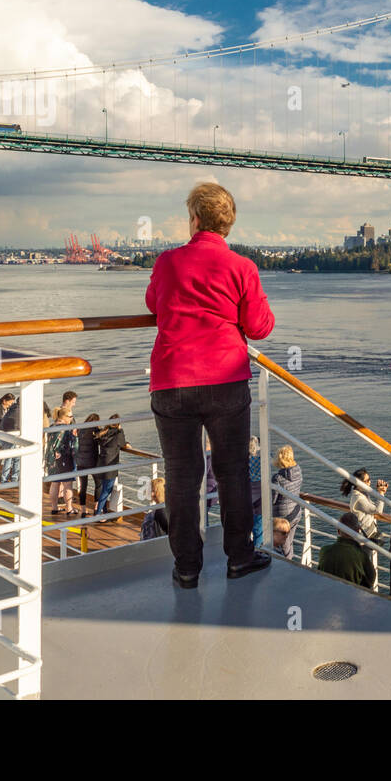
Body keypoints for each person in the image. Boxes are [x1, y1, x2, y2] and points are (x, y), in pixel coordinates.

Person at [146, 182, 275, 588]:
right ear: (229, 224)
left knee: (183, 476)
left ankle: (186, 568)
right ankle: (239, 557)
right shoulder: (242, 268)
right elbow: (259, 327)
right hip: (225, 380)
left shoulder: (168, 262)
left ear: (195, 219)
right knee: (233, 471)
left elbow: (154, 304)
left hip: (172, 382)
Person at [342, 468, 388, 580]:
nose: (370, 482)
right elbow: (377, 510)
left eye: (369, 479)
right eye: (367, 480)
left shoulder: (362, 494)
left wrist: (379, 492)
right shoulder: (359, 498)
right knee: (363, 567)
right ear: (359, 483)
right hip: (362, 539)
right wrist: (381, 493)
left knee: (362, 565)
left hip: (364, 535)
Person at [316, 512, 377, 589]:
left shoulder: (324, 550)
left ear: (338, 531)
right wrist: (367, 551)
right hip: (350, 597)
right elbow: (370, 581)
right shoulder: (361, 556)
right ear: (358, 531)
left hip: (327, 593)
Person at [45, 393, 79, 516]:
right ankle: (69, 508)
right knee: (67, 485)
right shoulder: (67, 429)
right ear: (64, 417)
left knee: (54, 484)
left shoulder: (52, 426)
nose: (71, 418)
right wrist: (75, 437)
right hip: (64, 459)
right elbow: (73, 446)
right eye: (70, 416)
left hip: (51, 459)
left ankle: (54, 507)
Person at [270, 444, 303, 560]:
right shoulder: (298, 471)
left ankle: (287, 564)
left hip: (282, 517)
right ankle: (290, 560)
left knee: (283, 543)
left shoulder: (277, 478)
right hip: (296, 512)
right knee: (289, 541)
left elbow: (272, 500)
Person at [93, 414, 129, 515]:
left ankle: (103, 510)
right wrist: (121, 430)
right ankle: (98, 512)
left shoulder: (103, 433)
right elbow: (122, 443)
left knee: (104, 487)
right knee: (107, 490)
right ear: (118, 424)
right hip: (110, 465)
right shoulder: (117, 433)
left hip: (101, 463)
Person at [77, 412, 100, 511]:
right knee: (99, 484)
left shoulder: (80, 430)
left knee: (83, 486)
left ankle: (83, 510)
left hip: (81, 462)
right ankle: (96, 507)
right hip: (92, 462)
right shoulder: (95, 431)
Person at [0, 393, 16, 482]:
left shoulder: (7, 408)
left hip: (2, 433)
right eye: (10, 402)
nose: (11, 404)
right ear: (4, 401)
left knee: (0, 453)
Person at [248, 436, 263, 547]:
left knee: (246, 525)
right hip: (260, 492)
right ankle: (257, 550)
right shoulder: (262, 457)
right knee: (258, 527)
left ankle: (245, 551)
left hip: (247, 492)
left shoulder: (244, 458)